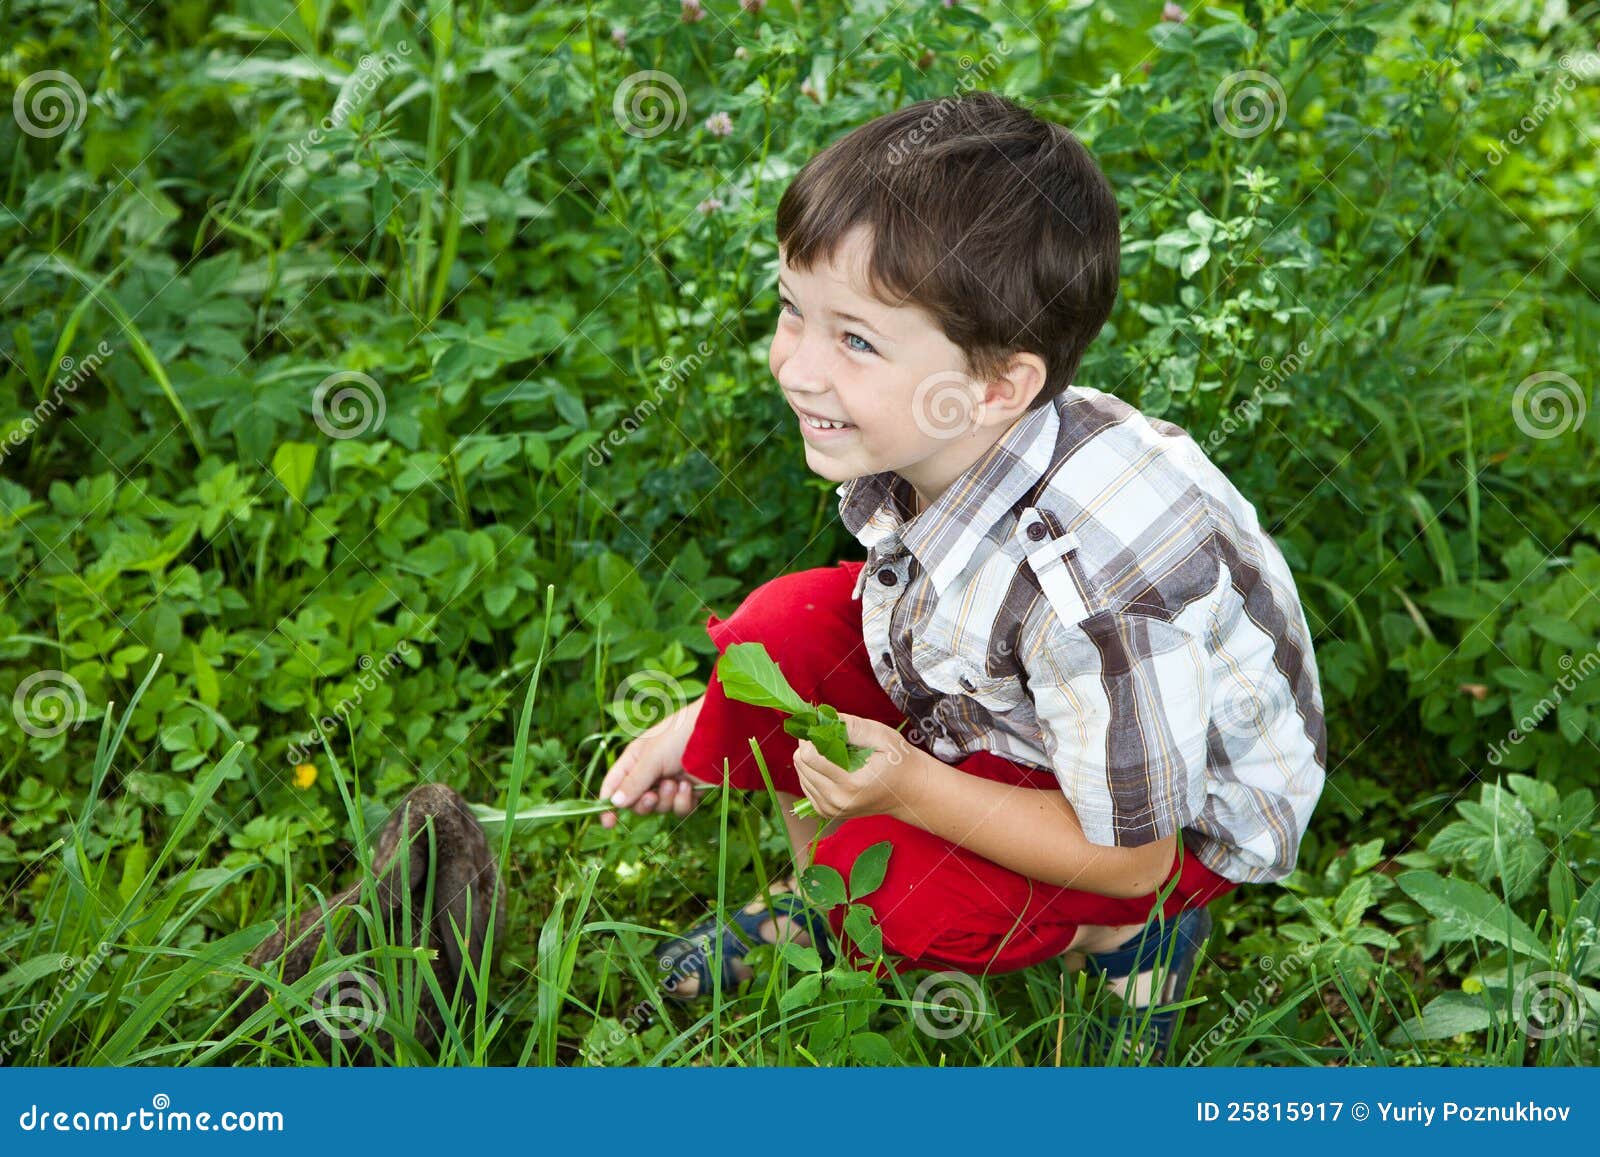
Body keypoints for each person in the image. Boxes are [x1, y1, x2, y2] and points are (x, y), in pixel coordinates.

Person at [597, 90, 1326, 1062]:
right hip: (1025, 707)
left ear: (999, 383)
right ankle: (832, 899)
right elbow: (936, 603)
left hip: (1156, 829)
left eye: (854, 338)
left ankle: (1130, 935)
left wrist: (909, 789)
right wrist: (706, 722)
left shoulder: (1091, 598)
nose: (797, 367)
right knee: (774, 631)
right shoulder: (954, 424)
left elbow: (1132, 846)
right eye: (792, 310)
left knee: (902, 889)